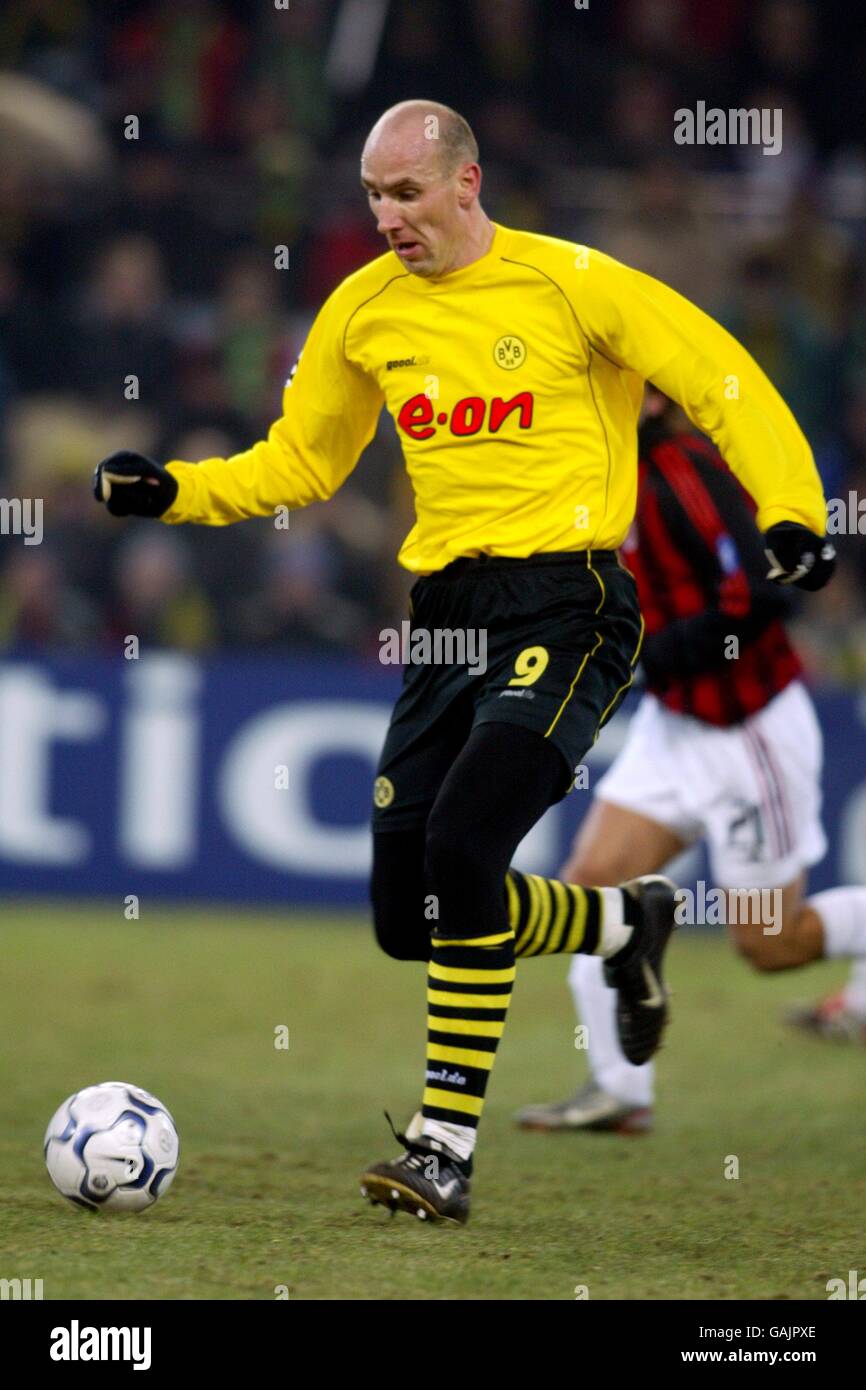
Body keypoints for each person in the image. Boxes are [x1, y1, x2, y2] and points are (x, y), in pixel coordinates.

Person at [93, 101, 834, 1224]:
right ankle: (622, 922)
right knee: (413, 914)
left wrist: (790, 510)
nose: (388, 216)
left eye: (406, 193)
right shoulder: (361, 311)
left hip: (571, 599)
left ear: (466, 181)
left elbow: (718, 376)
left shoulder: (571, 281)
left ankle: (443, 1148)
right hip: (445, 615)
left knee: (465, 840)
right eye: (374, 197)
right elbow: (301, 462)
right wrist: (178, 492)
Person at [516, 388, 865, 1135]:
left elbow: (767, 596)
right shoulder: (596, 469)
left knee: (770, 944)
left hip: (750, 728)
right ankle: (620, 1090)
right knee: (591, 893)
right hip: (675, 724)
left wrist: (646, 657)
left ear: (647, 400)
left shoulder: (686, 470)